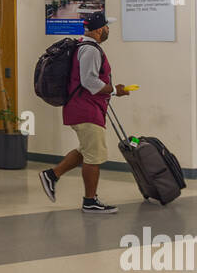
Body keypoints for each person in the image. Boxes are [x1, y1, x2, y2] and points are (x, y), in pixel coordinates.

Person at [37, 12, 129, 212]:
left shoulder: (82, 45)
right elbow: (90, 82)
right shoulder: (91, 50)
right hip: (85, 109)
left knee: (86, 150)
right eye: (106, 27)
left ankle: (52, 175)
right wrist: (115, 90)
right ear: (98, 30)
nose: (108, 30)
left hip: (84, 107)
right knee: (94, 156)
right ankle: (90, 201)